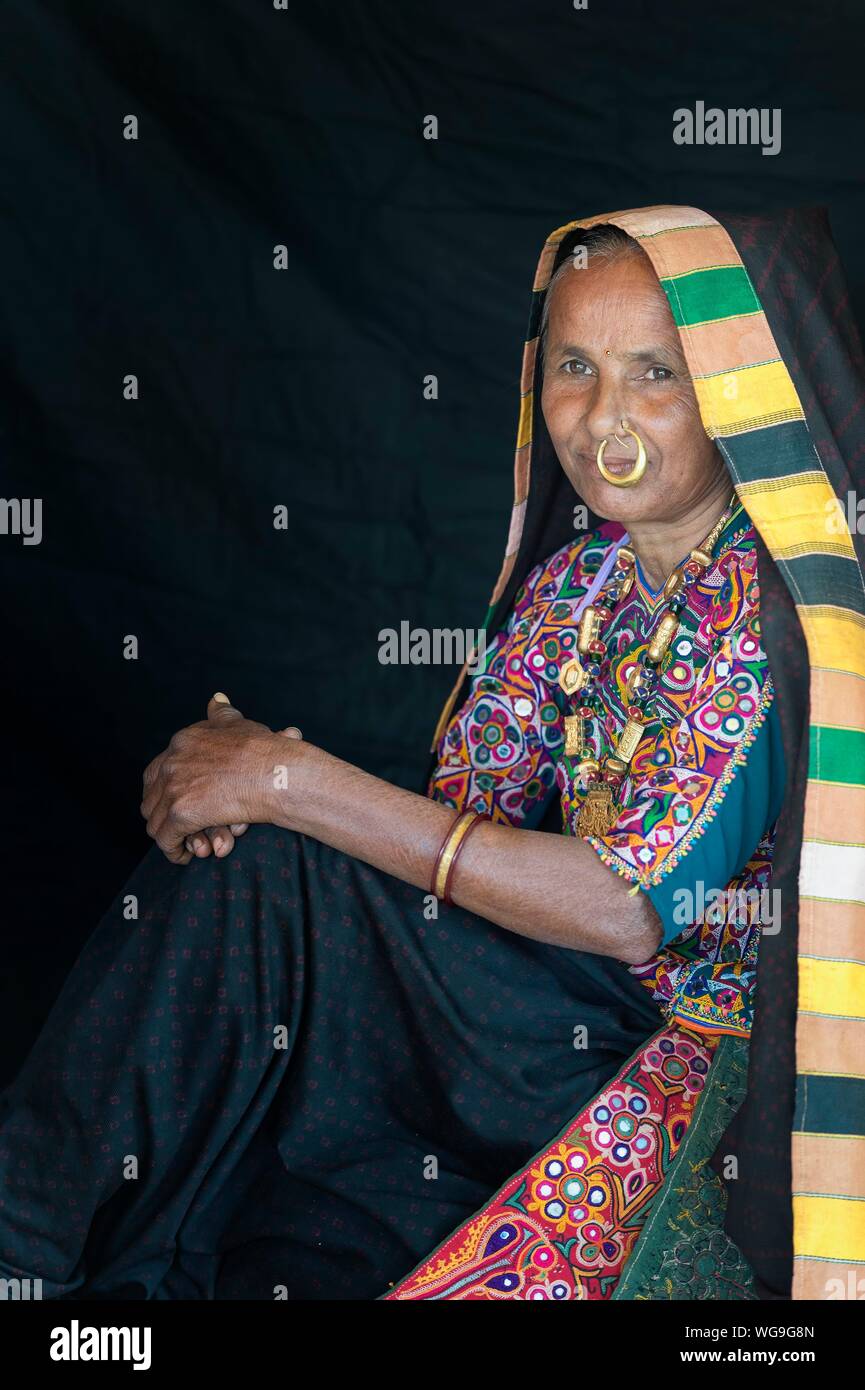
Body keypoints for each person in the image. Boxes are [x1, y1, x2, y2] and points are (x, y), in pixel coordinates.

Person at [1, 205, 862, 1302]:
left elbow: (625, 907)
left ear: (739, 389)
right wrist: (269, 792)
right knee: (271, 869)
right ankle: (25, 1246)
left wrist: (289, 780)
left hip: (674, 1055)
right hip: (547, 1004)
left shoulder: (772, 622)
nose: (605, 416)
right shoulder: (580, 580)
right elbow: (463, 807)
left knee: (297, 841)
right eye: (573, 368)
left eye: (658, 372)